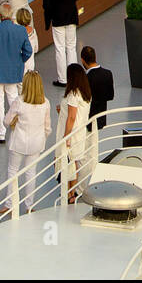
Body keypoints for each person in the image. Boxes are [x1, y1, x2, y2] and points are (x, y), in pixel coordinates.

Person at [2, 71, 51, 215]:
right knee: (31, 173)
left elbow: (6, 121)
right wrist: (43, 138)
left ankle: (9, 204)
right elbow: (47, 127)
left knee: (13, 171)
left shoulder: (19, 101)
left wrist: (14, 122)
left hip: (19, 142)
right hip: (36, 143)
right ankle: (30, 205)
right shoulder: (45, 102)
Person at [0, 11, 33, 143]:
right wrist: (19, 61)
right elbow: (28, 50)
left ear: (0, 16)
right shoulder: (21, 30)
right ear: (11, 16)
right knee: (14, 100)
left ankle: (0, 134)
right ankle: (18, 129)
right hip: (13, 71)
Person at [40, 0, 84, 85]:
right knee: (71, 47)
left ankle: (63, 79)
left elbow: (46, 6)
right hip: (71, 17)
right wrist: (70, 1)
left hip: (57, 20)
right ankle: (74, 78)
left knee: (60, 49)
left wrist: (47, 23)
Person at [58, 64, 93, 203]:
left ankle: (69, 194)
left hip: (71, 134)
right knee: (74, 164)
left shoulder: (73, 94)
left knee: (68, 164)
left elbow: (71, 117)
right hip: (80, 132)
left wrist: (66, 137)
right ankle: (72, 193)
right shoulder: (86, 94)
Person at [82, 46, 115, 129]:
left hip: (87, 120)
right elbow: (110, 96)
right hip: (101, 117)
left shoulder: (85, 78)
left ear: (83, 60)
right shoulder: (108, 73)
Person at [15, 7, 39, 73]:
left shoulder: (16, 33)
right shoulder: (33, 31)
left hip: (19, 67)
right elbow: (36, 49)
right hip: (30, 65)